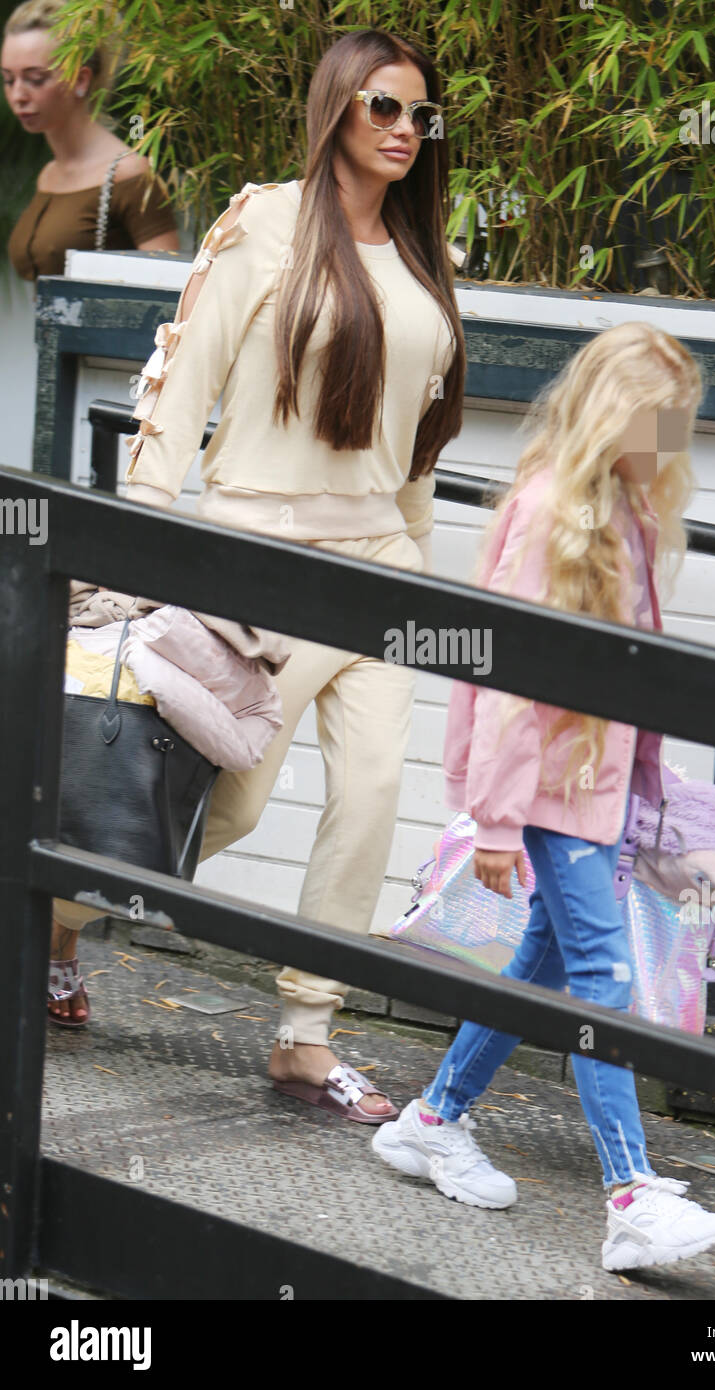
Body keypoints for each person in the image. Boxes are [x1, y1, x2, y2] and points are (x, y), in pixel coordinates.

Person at [50, 28, 467, 1126]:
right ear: (338, 103)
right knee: (217, 808)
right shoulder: (263, 224)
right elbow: (177, 392)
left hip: (382, 563)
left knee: (371, 793)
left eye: (423, 116)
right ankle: (51, 926)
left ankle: (304, 1035)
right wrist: (143, 552)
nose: (405, 131)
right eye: (385, 106)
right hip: (261, 559)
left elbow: (416, 443)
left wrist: (421, 571)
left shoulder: (426, 254)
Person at [372, 320, 715, 1269]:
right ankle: (629, 1197)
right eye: (657, 421)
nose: (670, 442)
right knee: (605, 980)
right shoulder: (548, 511)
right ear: (610, 415)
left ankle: (431, 1118)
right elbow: (504, 680)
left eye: (680, 423)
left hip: (598, 788)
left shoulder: (623, 505)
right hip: (550, 793)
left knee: (545, 963)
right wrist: (495, 819)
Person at [3, 0, 178, 284]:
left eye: (35, 79)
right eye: (8, 80)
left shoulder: (130, 174)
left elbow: (166, 294)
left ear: (81, 80)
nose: (17, 95)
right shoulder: (49, 175)